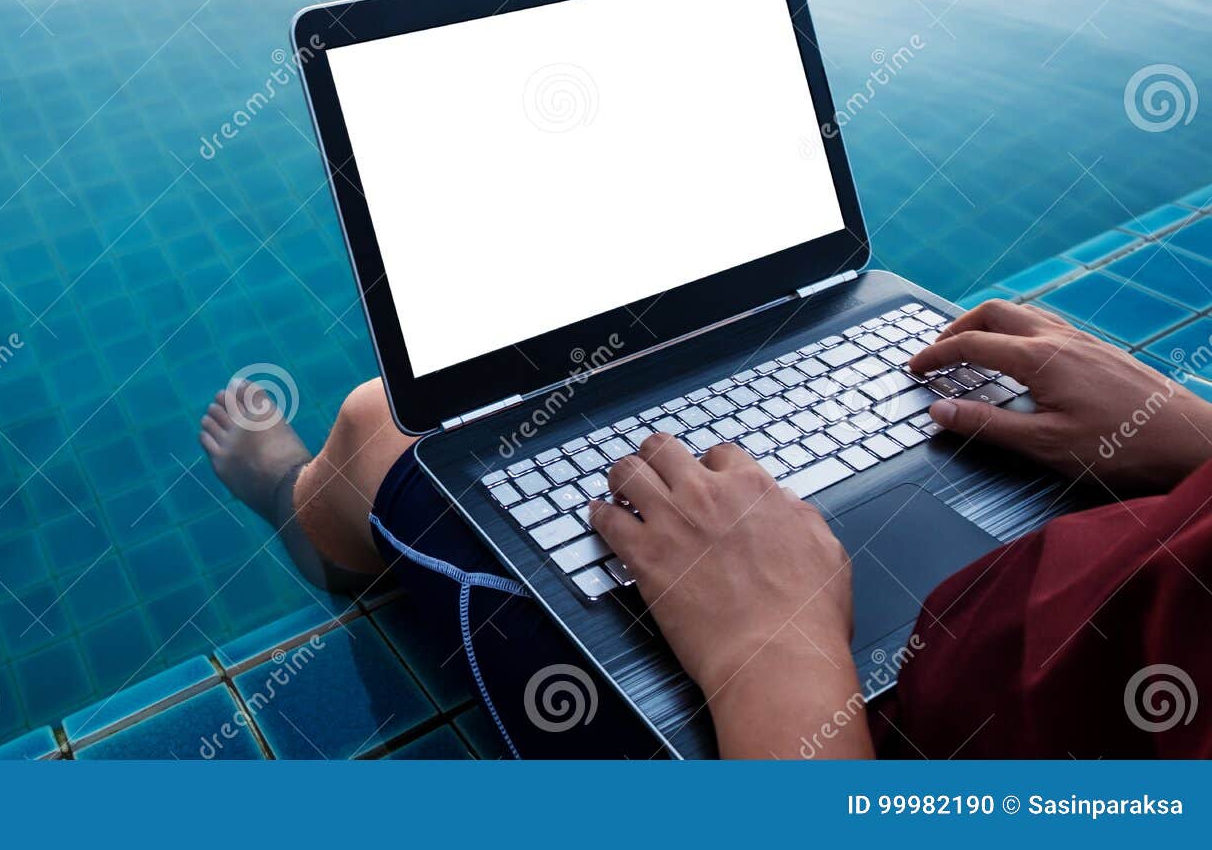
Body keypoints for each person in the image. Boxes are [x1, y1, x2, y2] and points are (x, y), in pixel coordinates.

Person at [201, 300, 1212, 758]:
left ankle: (298, 507)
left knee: (390, 422)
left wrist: (771, 651)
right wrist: (1197, 443)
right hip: (1096, 574)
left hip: (855, 734)